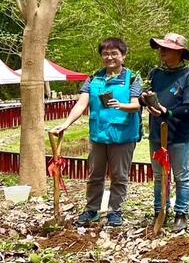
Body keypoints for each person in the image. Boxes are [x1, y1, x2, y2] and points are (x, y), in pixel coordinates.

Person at [54, 38, 142, 227]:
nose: (109, 57)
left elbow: (136, 105)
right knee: (95, 174)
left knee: (119, 175)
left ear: (123, 56)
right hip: (99, 135)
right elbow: (82, 102)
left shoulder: (132, 78)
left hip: (123, 136)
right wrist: (66, 123)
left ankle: (115, 211)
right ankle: (91, 210)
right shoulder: (94, 78)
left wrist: (122, 106)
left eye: (114, 53)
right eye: (105, 53)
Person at [144, 33, 189, 233]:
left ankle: (181, 213)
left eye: (167, 49)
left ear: (179, 52)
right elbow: (146, 95)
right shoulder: (154, 73)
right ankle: (160, 210)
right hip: (156, 131)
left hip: (180, 133)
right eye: (161, 48)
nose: (162, 51)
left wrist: (166, 112)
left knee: (180, 175)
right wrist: (146, 100)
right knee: (159, 175)